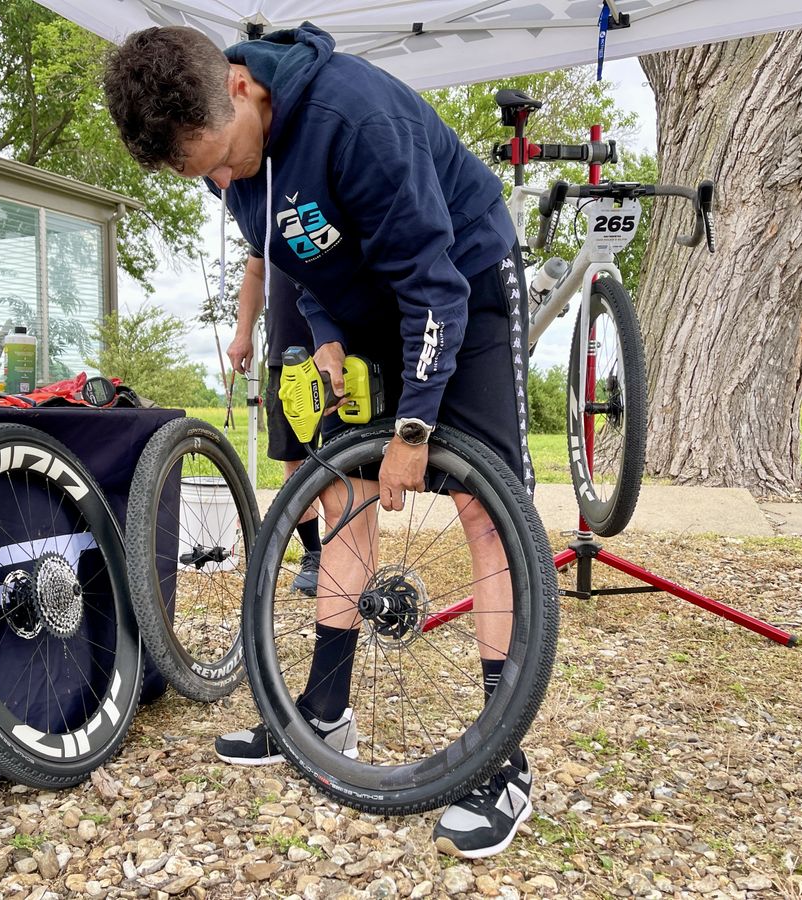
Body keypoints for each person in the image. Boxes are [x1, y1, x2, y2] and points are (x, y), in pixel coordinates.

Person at [103, 22, 536, 859]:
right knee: (342, 498)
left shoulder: (357, 120)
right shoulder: (220, 147)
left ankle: (500, 762)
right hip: (370, 303)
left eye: (223, 159)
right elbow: (293, 249)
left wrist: (413, 426)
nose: (224, 179)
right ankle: (324, 713)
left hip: (464, 282)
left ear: (237, 85)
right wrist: (328, 328)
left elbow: (432, 282)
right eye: (206, 174)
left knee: (489, 510)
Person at [226, 252, 321, 595]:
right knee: (296, 465)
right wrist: (242, 334)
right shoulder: (263, 215)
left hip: (343, 348)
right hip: (287, 353)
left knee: (348, 468)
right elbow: (254, 273)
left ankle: (350, 559)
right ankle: (315, 556)